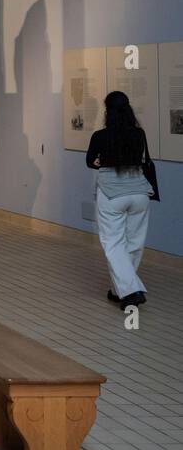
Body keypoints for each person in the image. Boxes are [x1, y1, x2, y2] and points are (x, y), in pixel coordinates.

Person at [87, 91, 154, 309]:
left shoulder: (100, 136)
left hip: (112, 194)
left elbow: (91, 162)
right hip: (140, 193)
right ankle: (119, 291)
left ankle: (131, 290)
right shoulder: (139, 134)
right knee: (134, 243)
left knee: (114, 244)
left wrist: (101, 160)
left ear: (107, 111)